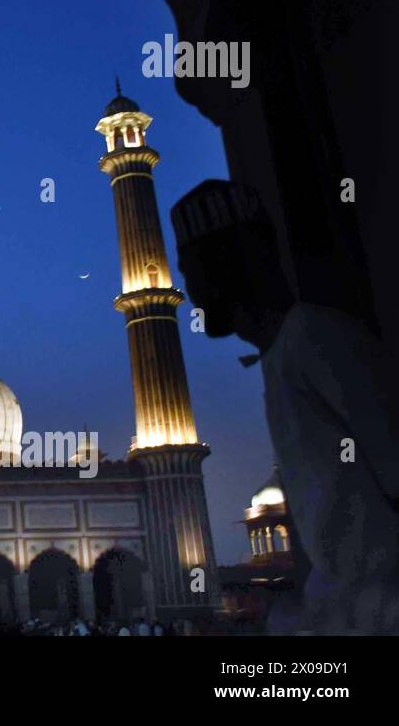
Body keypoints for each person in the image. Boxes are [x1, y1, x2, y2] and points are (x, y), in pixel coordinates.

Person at [171, 179, 399, 632]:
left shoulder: (317, 339)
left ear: (235, 261)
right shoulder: (279, 360)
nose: (191, 293)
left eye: (194, 271)